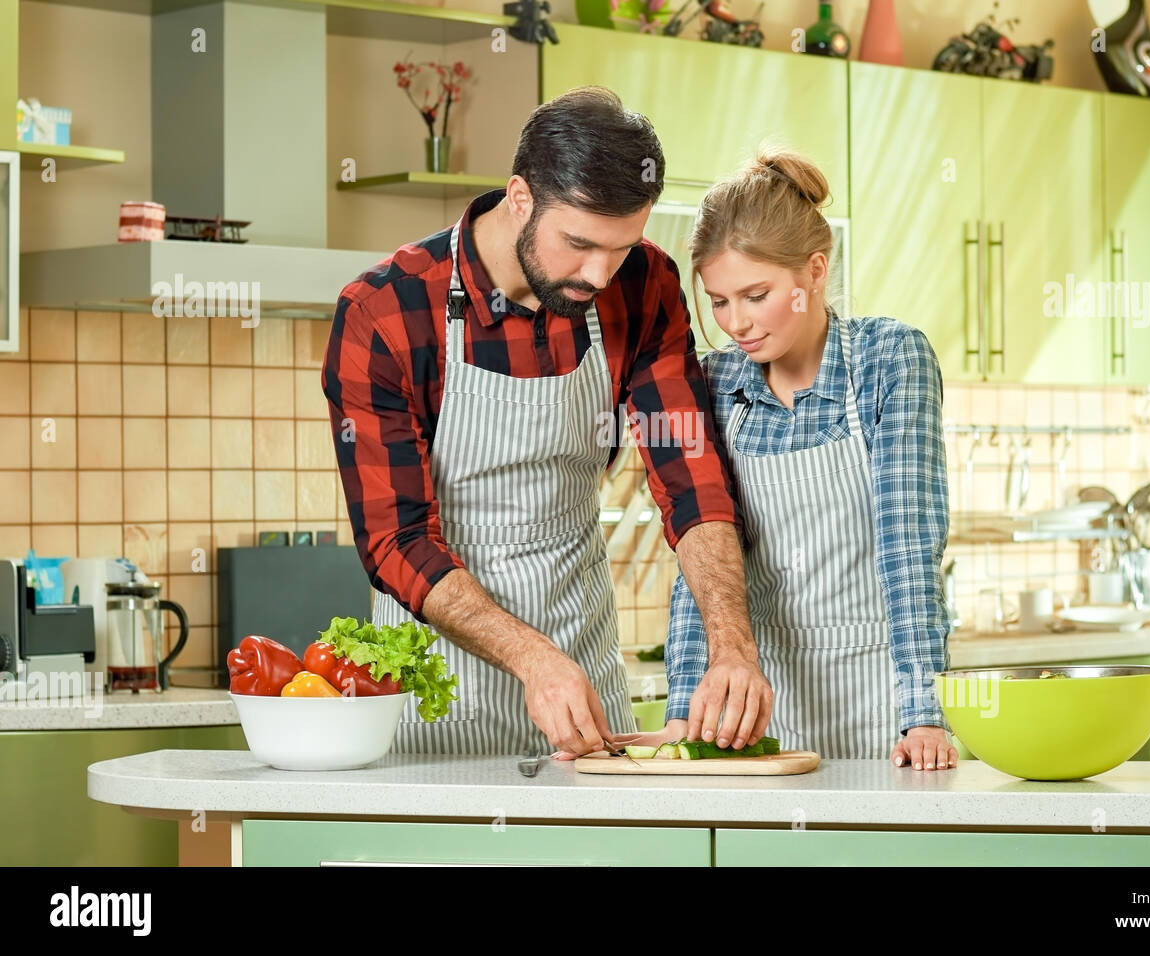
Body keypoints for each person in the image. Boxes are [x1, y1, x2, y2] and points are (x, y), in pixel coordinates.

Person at [322, 87, 772, 756]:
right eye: (579, 243)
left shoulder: (643, 284)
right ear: (520, 197)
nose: (598, 273)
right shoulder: (385, 311)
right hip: (434, 691)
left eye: (619, 248)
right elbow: (396, 540)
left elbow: (689, 475)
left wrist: (732, 645)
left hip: (586, 678)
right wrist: (533, 659)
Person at [609, 148, 956, 769]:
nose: (735, 322)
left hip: (881, 703)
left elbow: (909, 547)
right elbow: (701, 564)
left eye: (755, 294)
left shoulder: (889, 362)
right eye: (718, 300)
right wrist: (686, 715)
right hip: (758, 717)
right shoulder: (714, 385)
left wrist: (924, 715)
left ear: (815, 273)